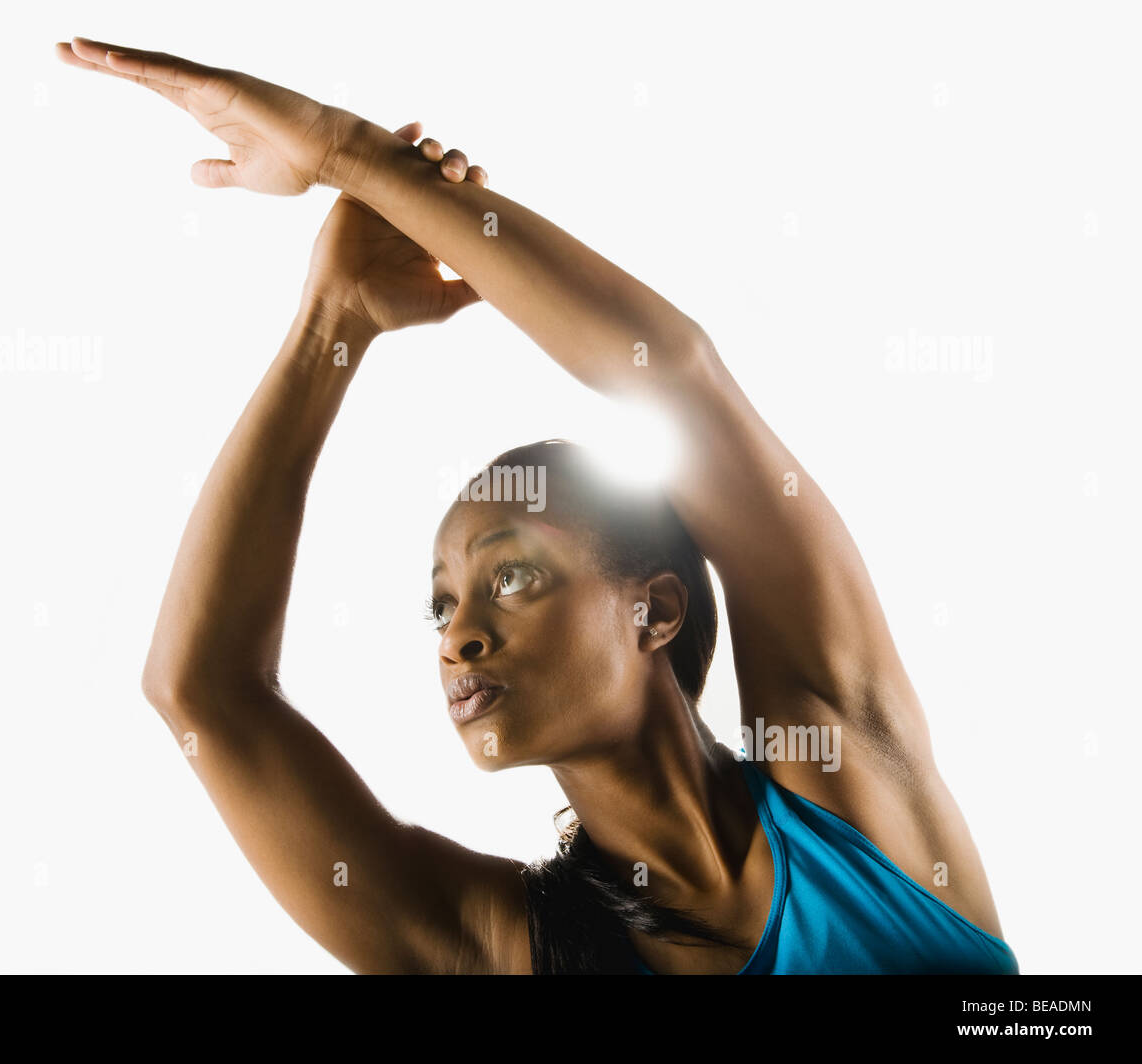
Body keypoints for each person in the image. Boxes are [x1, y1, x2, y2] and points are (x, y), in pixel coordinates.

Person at [55, 36, 1019, 975]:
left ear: (656, 609)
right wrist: (330, 322)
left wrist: (350, 153)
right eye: (441, 603)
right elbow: (205, 696)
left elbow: (679, 379)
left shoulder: (847, 785)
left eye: (510, 576)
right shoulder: (507, 950)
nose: (456, 637)